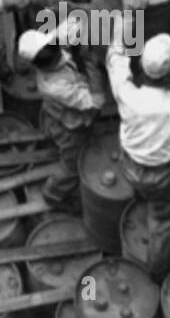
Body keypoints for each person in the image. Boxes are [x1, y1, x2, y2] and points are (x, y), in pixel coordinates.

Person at [106, 20, 170, 277]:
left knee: (143, 187)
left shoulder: (127, 94)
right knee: (164, 219)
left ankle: (141, 196)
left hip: (129, 166)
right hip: (163, 175)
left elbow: (115, 54)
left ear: (140, 64)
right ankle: (159, 266)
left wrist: (130, 17)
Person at [17, 22, 107, 212]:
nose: (57, 56)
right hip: (69, 127)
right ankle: (52, 195)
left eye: (54, 50)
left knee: (54, 123)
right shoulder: (54, 86)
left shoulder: (50, 43)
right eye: (50, 59)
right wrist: (91, 64)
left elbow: (75, 24)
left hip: (53, 114)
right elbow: (96, 101)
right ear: (38, 64)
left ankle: (53, 138)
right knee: (73, 166)